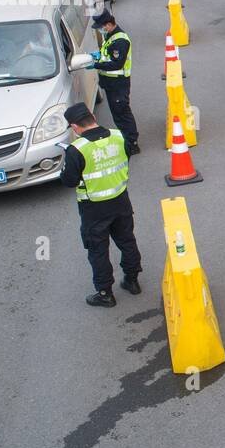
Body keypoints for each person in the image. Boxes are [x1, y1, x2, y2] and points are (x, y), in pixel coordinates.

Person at [58, 103, 142, 308]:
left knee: (98, 250)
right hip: (121, 199)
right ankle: (132, 281)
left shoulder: (76, 149)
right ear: (93, 116)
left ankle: (105, 293)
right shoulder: (118, 136)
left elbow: (69, 181)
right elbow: (126, 157)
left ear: (74, 127)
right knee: (127, 240)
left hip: (94, 208)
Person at [91, 9, 140, 156]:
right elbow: (108, 56)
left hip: (118, 84)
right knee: (118, 114)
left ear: (108, 24)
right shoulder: (111, 36)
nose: (100, 30)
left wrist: (96, 65)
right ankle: (127, 140)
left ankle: (132, 144)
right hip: (111, 84)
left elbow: (117, 64)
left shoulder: (120, 40)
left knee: (122, 114)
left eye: (101, 27)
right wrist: (99, 57)